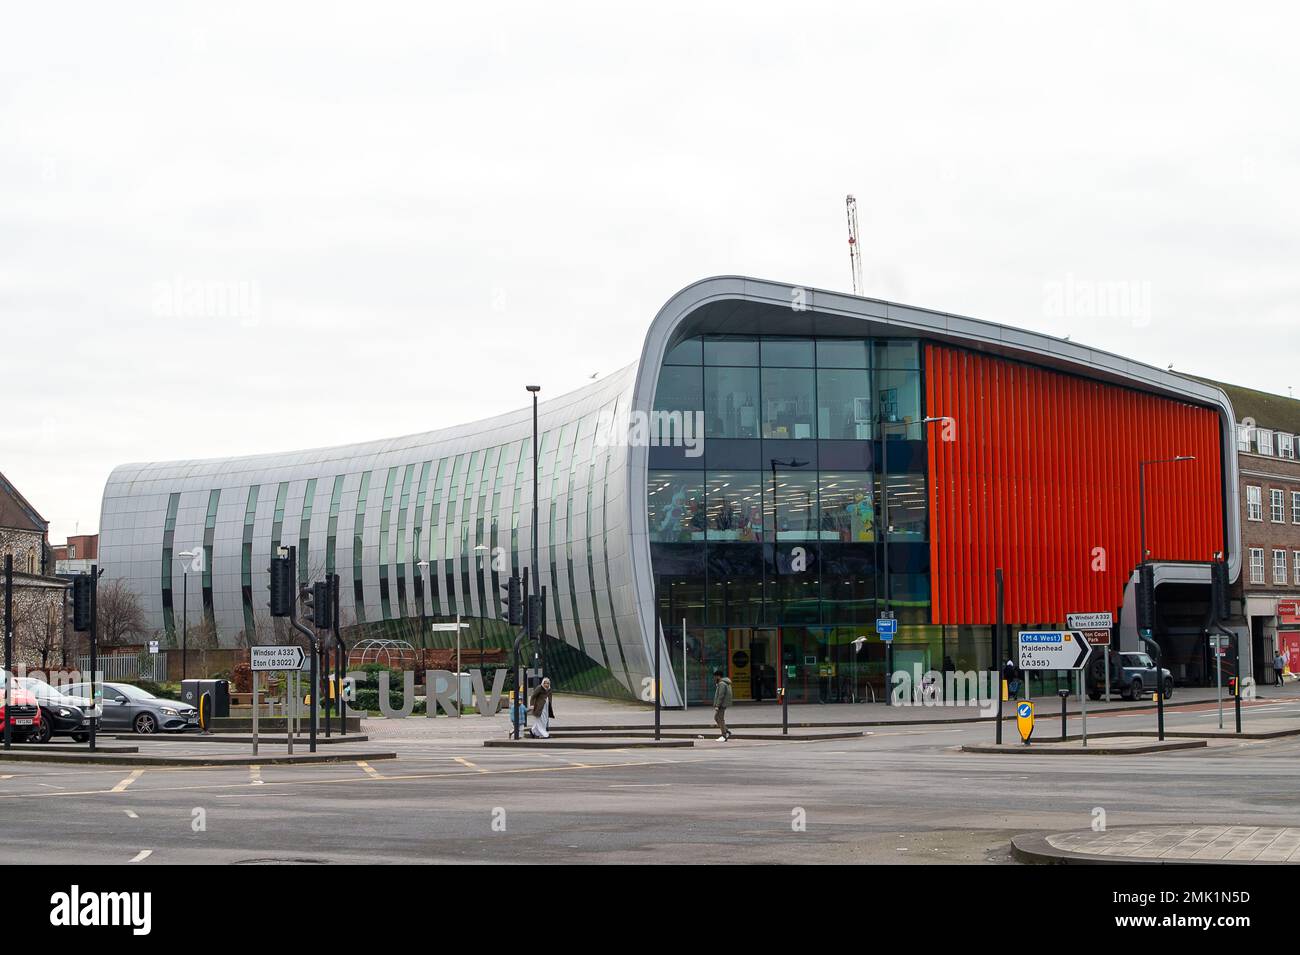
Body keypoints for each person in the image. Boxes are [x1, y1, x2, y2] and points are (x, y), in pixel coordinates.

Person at [712, 667, 733, 741]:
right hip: (723, 704)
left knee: (720, 719)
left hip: (721, 705)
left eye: (715, 676)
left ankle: (724, 735)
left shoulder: (722, 684)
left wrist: (717, 705)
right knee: (717, 718)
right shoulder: (724, 683)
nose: (714, 678)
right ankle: (726, 731)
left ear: (718, 676)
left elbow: (721, 695)